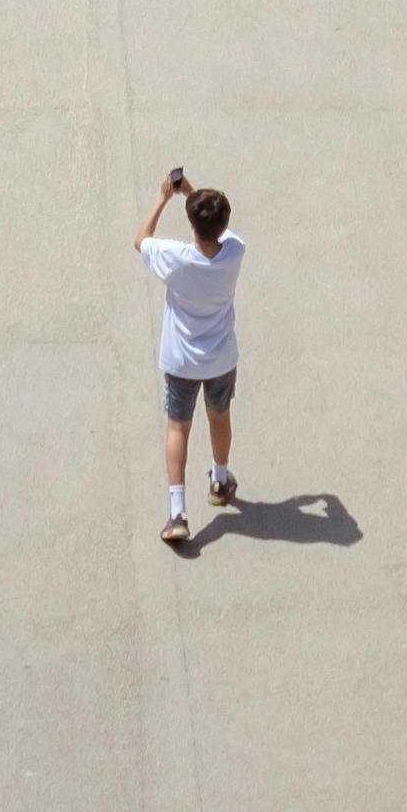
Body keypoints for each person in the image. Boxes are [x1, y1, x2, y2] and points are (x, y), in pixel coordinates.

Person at [137, 168, 244, 542]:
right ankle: (220, 480)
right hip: (221, 358)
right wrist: (192, 195)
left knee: (178, 427)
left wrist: (164, 197)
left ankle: (177, 513)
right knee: (220, 415)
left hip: (181, 361)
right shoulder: (234, 252)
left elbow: (141, 239)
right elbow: (221, 232)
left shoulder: (175, 258)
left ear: (192, 224)